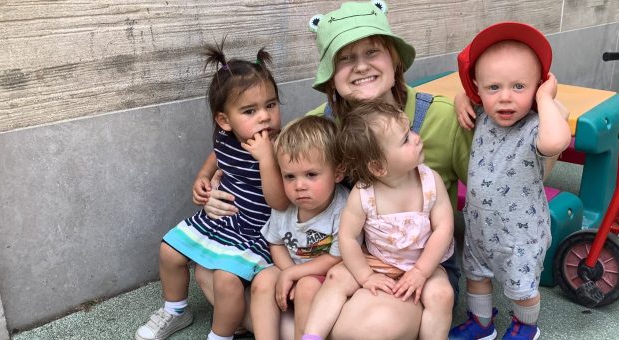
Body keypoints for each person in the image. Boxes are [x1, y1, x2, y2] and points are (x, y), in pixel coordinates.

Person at [196, 2, 471, 338]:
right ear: (330, 72)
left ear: (395, 58)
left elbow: (506, 181)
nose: (361, 66)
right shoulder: (317, 125)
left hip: (416, 268)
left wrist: (487, 105)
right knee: (211, 277)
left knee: (367, 329)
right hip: (339, 260)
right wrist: (214, 192)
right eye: (345, 58)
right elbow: (268, 166)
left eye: (372, 51)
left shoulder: (442, 119)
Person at [135, 40, 288, 340]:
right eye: (249, 110)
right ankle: (176, 309)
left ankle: (221, 335)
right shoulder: (228, 140)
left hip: (256, 232)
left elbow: (279, 202)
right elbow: (216, 155)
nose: (264, 116)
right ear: (224, 120)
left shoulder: (282, 146)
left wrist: (267, 159)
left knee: (227, 280)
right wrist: (201, 178)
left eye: (270, 105)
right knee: (169, 250)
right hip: (219, 219)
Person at [447, 22, 571, 340]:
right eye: (493, 88)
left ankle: (526, 326)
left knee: (522, 287)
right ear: (479, 87)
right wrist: (464, 97)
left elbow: (556, 142)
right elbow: (469, 94)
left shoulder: (537, 124)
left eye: (519, 87)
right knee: (477, 275)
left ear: (538, 86)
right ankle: (481, 322)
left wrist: (546, 98)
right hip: (479, 225)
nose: (505, 98)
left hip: (521, 233)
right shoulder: (484, 114)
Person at [302, 101, 455, 340]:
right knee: (336, 277)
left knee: (442, 295)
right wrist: (365, 275)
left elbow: (444, 228)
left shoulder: (430, 181)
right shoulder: (364, 194)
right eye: (405, 139)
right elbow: (348, 237)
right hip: (376, 261)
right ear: (379, 167)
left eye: (411, 130)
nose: (416, 138)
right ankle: (311, 335)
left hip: (423, 263)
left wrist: (421, 272)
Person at [250, 115, 349, 340]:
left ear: (338, 172)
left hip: (326, 279)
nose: (299, 186)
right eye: (289, 176)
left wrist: (295, 274)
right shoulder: (285, 206)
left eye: (311, 175)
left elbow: (337, 258)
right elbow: (275, 243)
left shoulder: (343, 208)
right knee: (263, 281)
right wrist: (287, 273)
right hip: (291, 271)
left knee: (306, 287)